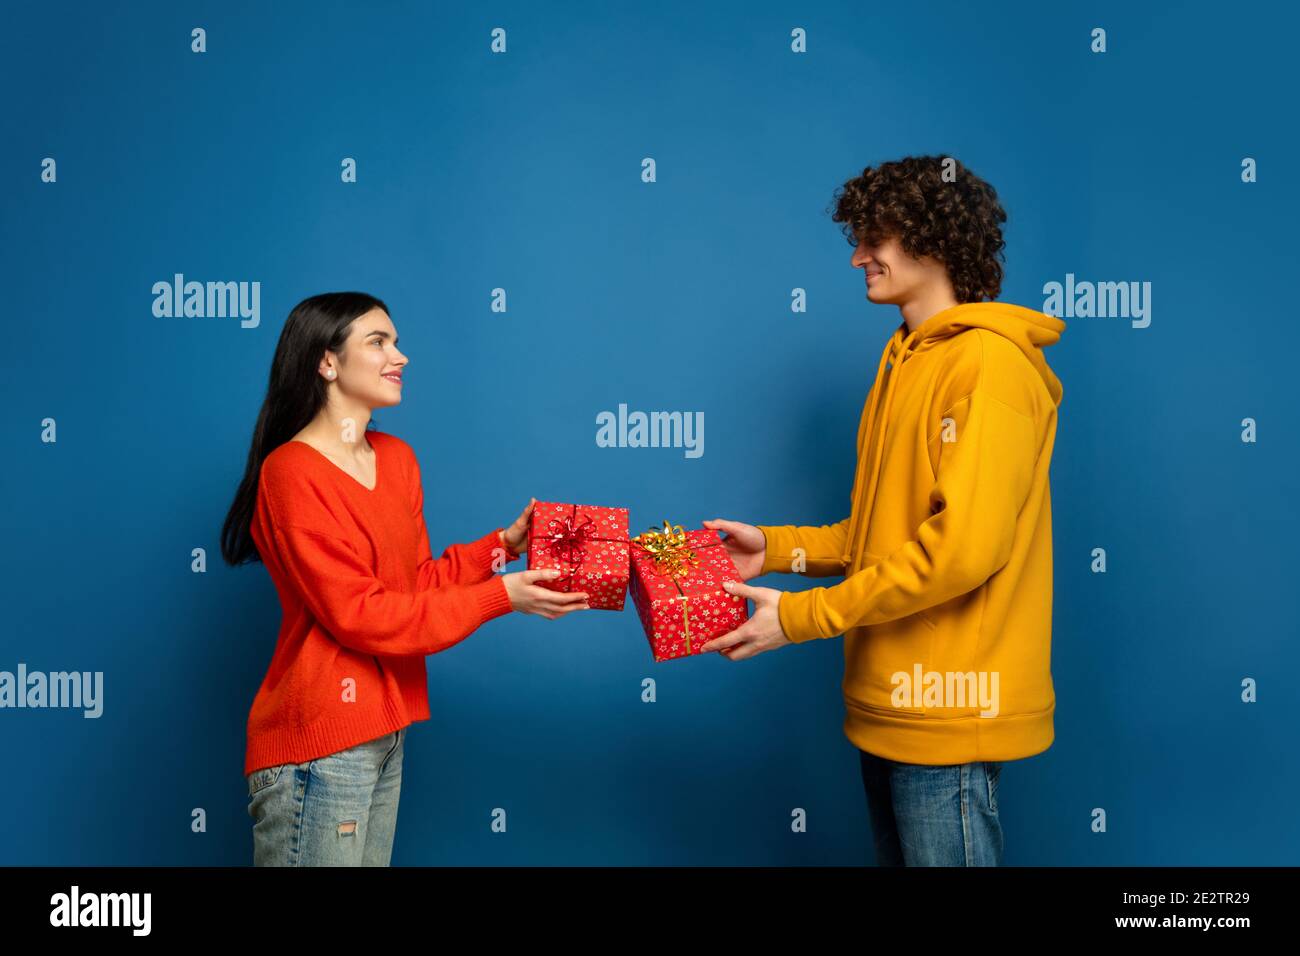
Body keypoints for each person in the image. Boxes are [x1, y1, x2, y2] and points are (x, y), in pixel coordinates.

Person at [700, 155, 1066, 867]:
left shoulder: (986, 367)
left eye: (878, 237)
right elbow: (882, 533)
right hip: (893, 705)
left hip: (948, 708)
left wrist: (801, 617)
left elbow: (961, 550)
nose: (859, 256)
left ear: (934, 241)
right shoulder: (906, 357)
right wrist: (773, 549)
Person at [220, 291, 590, 866]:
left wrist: (504, 549)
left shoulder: (396, 458)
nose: (401, 356)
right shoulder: (290, 473)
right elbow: (360, 615)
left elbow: (414, 584)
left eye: (394, 341)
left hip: (384, 732)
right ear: (327, 362)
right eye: (379, 342)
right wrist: (502, 599)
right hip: (320, 741)